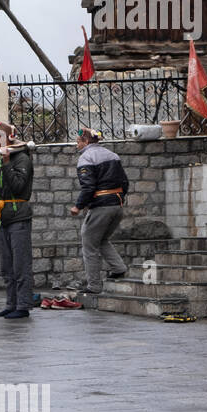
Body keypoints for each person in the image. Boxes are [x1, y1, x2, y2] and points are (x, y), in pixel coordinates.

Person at [70, 126, 129, 295]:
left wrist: (78, 206)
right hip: (117, 206)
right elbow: (125, 183)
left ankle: (94, 285)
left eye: (78, 142)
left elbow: (88, 187)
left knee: (89, 243)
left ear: (86, 141)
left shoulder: (86, 158)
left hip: (100, 207)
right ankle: (119, 269)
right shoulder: (113, 155)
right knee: (101, 239)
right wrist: (118, 198)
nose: (76, 145)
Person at [0, 122, 34, 320]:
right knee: (6, 264)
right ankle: (10, 303)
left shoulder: (21, 158)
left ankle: (23, 304)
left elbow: (17, 186)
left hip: (18, 216)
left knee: (20, 263)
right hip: (2, 217)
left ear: (7, 138)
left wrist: (7, 163)